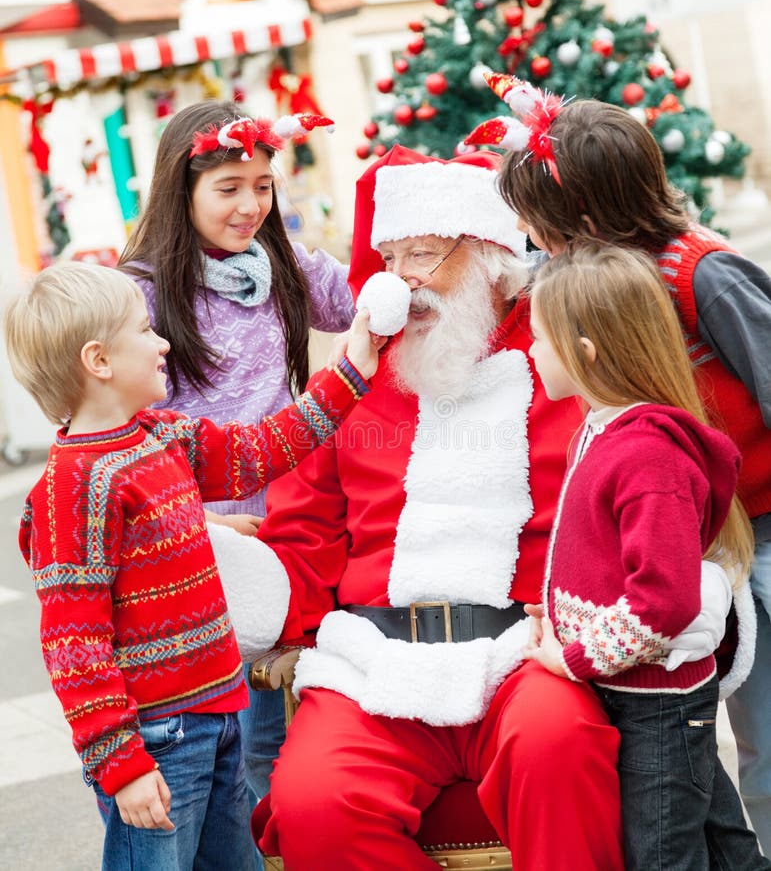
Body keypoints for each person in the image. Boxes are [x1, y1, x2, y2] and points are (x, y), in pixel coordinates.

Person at [239, 144, 624, 870]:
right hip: (375, 662)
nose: (399, 280)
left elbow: (626, 491)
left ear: (487, 254)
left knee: (559, 750)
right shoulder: (350, 383)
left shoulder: (559, 360)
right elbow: (302, 532)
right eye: (390, 257)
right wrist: (238, 584)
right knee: (313, 804)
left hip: (523, 654)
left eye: (422, 254)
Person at [3, 261, 378, 871]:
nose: (163, 344)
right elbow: (75, 642)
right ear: (98, 361)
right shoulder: (72, 489)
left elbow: (258, 452)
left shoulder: (160, 437)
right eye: (145, 332)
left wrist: (349, 374)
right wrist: (121, 766)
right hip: (155, 743)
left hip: (217, 715)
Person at [486, 83, 771, 853]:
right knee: (747, 747)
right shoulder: (599, 291)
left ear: (583, 222)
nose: (530, 242)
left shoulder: (701, 275)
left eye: (536, 228)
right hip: (710, 535)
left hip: (763, 528)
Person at [119, 99, 356, 849]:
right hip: (204, 541)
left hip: (295, 518)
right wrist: (203, 520)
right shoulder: (142, 291)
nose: (250, 204)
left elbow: (363, 302)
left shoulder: (284, 259)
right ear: (179, 189)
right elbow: (114, 427)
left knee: (308, 703)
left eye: (262, 185)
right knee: (240, 733)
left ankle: (305, 843)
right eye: (228, 188)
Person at [522, 241, 768, 870]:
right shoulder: (602, 427)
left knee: (662, 854)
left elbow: (664, 598)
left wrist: (573, 656)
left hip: (655, 707)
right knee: (723, 841)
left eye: (539, 339)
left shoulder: (647, 455)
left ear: (585, 351)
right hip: (642, 694)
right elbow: (604, 554)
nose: (529, 351)